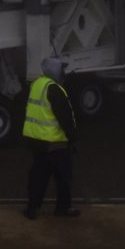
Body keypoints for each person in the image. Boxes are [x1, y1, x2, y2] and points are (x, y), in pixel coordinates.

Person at [22, 55, 80, 220]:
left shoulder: (36, 85)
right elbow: (66, 118)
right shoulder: (55, 89)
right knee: (63, 177)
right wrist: (73, 139)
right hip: (55, 143)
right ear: (55, 71)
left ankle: (32, 208)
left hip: (36, 141)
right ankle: (63, 208)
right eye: (61, 69)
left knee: (38, 175)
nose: (63, 72)